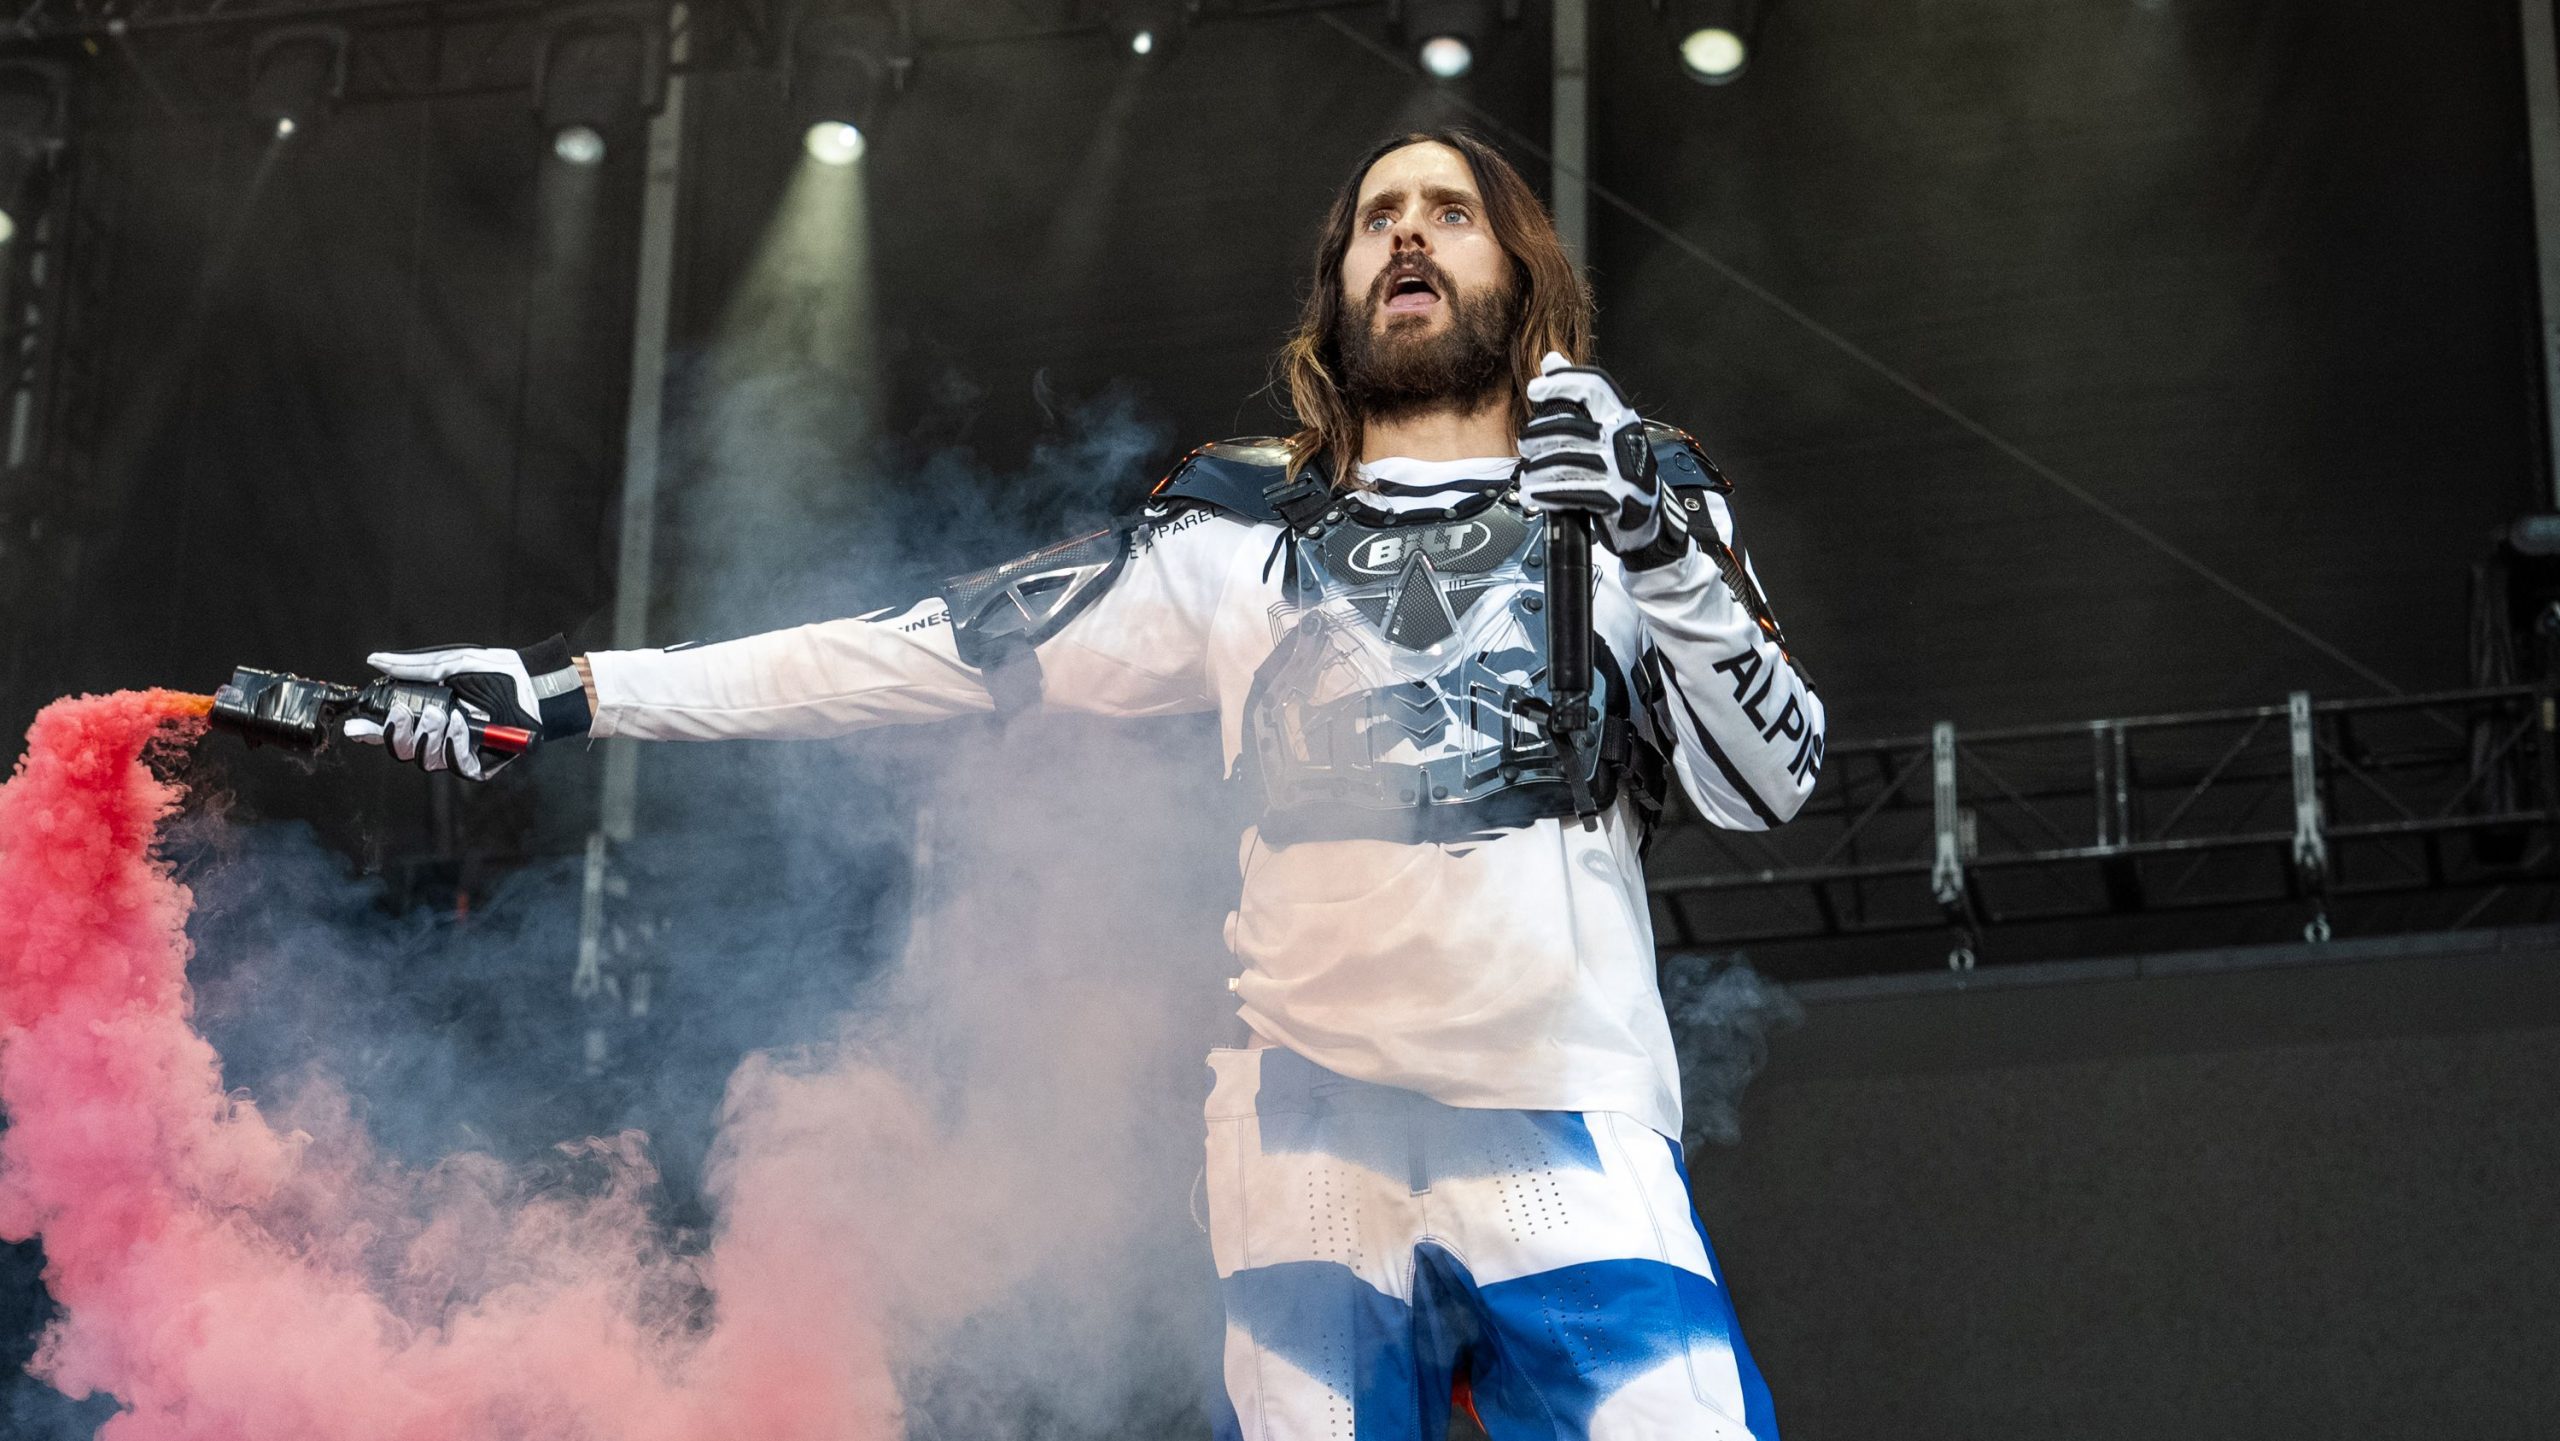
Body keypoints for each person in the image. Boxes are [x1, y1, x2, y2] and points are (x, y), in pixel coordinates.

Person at [351, 129, 1822, 1441]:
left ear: (1525, 273)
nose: (1410, 233)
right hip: (1307, 1141)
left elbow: (1777, 778)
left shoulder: (1643, 500)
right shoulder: (1235, 533)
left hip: (1566, 1122)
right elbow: (919, 649)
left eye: (1450, 208)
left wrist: (1652, 536)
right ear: (1338, 288)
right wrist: (567, 691)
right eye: (1379, 217)